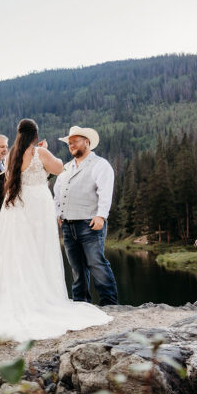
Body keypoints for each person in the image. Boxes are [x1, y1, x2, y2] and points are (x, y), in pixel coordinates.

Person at [0, 119, 111, 345]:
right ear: (35, 135)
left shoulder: (13, 154)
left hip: (19, 206)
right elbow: (60, 168)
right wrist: (46, 150)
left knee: (19, 251)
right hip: (38, 206)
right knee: (40, 250)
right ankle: (41, 298)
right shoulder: (39, 152)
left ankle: (17, 295)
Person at [54, 126, 119, 306]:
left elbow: (105, 192)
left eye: (75, 142)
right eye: (69, 143)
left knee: (97, 264)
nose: (71, 145)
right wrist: (59, 214)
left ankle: (110, 304)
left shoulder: (100, 164)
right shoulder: (66, 168)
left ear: (87, 142)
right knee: (77, 269)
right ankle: (80, 303)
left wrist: (101, 216)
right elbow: (57, 193)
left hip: (89, 223)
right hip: (68, 225)